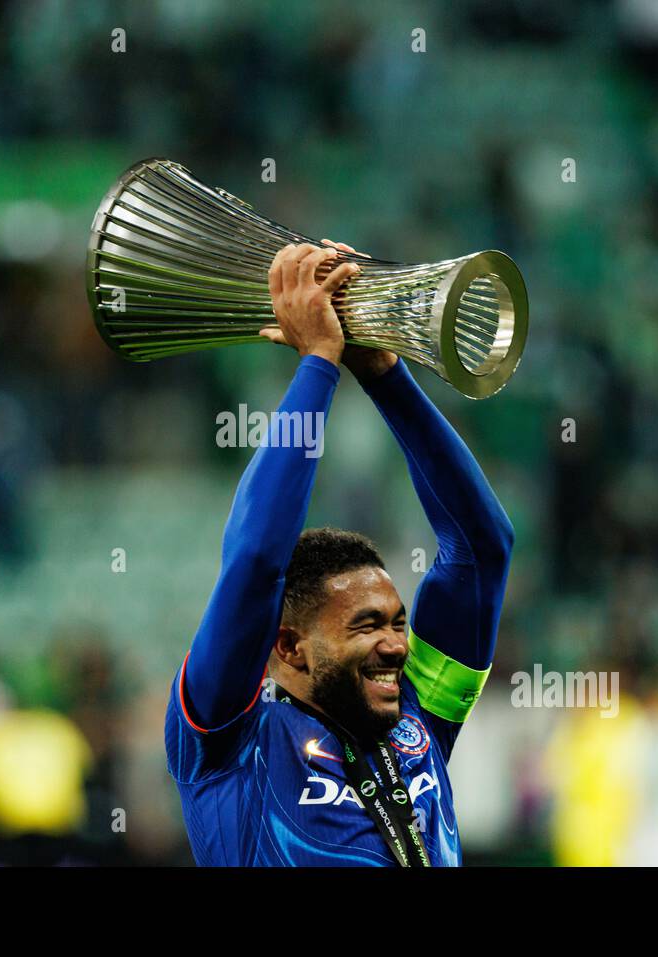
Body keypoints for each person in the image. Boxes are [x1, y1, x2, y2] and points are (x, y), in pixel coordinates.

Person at [164, 241, 514, 865]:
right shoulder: (231, 740)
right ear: (289, 645)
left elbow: (482, 550)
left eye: (397, 621)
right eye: (366, 625)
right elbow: (255, 563)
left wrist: (385, 375)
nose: (397, 644)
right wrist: (318, 365)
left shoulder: (417, 719)